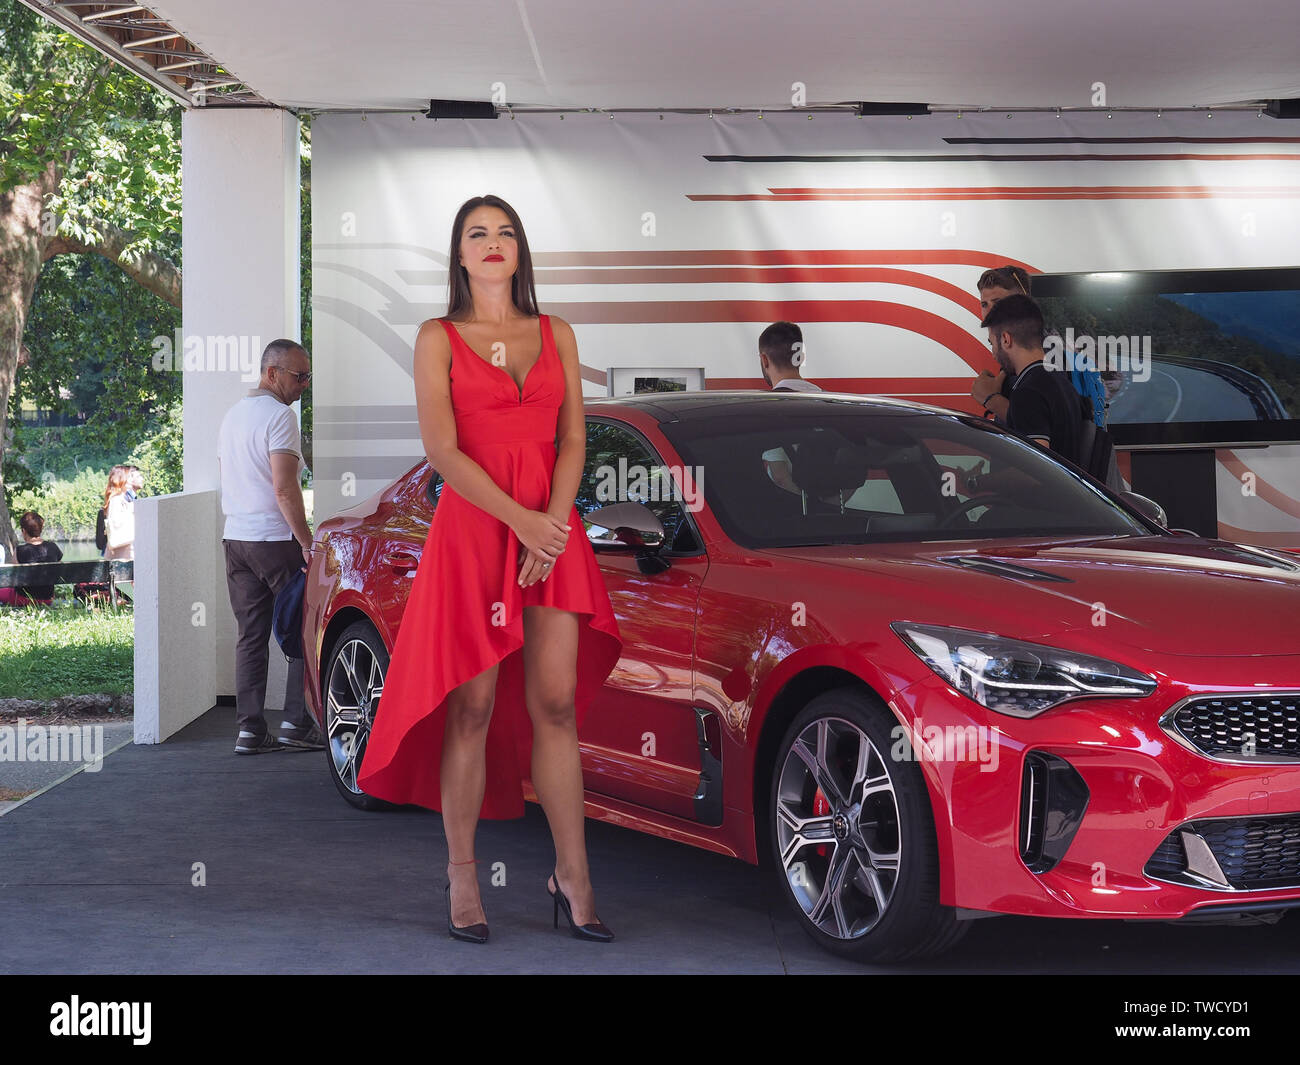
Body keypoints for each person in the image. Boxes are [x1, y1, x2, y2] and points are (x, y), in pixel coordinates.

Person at [356, 194, 623, 944]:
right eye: (478, 234)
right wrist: (524, 522)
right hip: (478, 533)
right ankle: (464, 875)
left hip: (551, 535)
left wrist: (553, 525)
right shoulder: (437, 337)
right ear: (460, 255)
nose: (493, 243)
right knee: (470, 707)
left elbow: (575, 439)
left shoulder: (557, 332)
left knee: (557, 706)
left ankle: (573, 874)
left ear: (519, 250)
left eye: (505, 232)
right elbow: (443, 452)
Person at [216, 339, 324, 756]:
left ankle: (249, 730)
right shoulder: (280, 418)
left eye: (308, 376)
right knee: (302, 629)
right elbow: (284, 487)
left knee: (251, 636)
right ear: (271, 373)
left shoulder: (232, 417)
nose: (305, 385)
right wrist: (307, 542)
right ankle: (296, 722)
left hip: (237, 540)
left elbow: (232, 476)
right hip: (274, 542)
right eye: (299, 376)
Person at [971, 265, 1107, 428]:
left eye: (998, 302)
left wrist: (991, 400)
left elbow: (1046, 424)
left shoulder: (1044, 358)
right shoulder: (1016, 358)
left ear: (1022, 302)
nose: (990, 312)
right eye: (984, 304)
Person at [979, 294, 1085, 467]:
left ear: (1006, 339)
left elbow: (1033, 472)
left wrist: (975, 482)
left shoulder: (1027, 392)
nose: (993, 353)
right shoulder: (1062, 382)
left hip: (1042, 494)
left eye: (992, 343)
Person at [758, 322, 822, 494]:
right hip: (837, 511)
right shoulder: (829, 403)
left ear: (764, 360)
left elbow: (780, 475)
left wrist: (808, 503)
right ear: (801, 357)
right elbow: (854, 470)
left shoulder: (769, 409)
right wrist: (828, 504)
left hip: (788, 512)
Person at [0, 510, 63, 607]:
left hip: (23, 598)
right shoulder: (53, 547)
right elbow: (59, 569)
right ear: (40, 529)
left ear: (24, 531)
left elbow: (12, 576)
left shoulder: (20, 550)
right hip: (47, 599)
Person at [103, 465, 135, 561]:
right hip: (120, 556)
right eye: (129, 477)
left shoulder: (122, 499)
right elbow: (116, 524)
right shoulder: (116, 500)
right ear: (121, 479)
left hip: (124, 553)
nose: (131, 481)